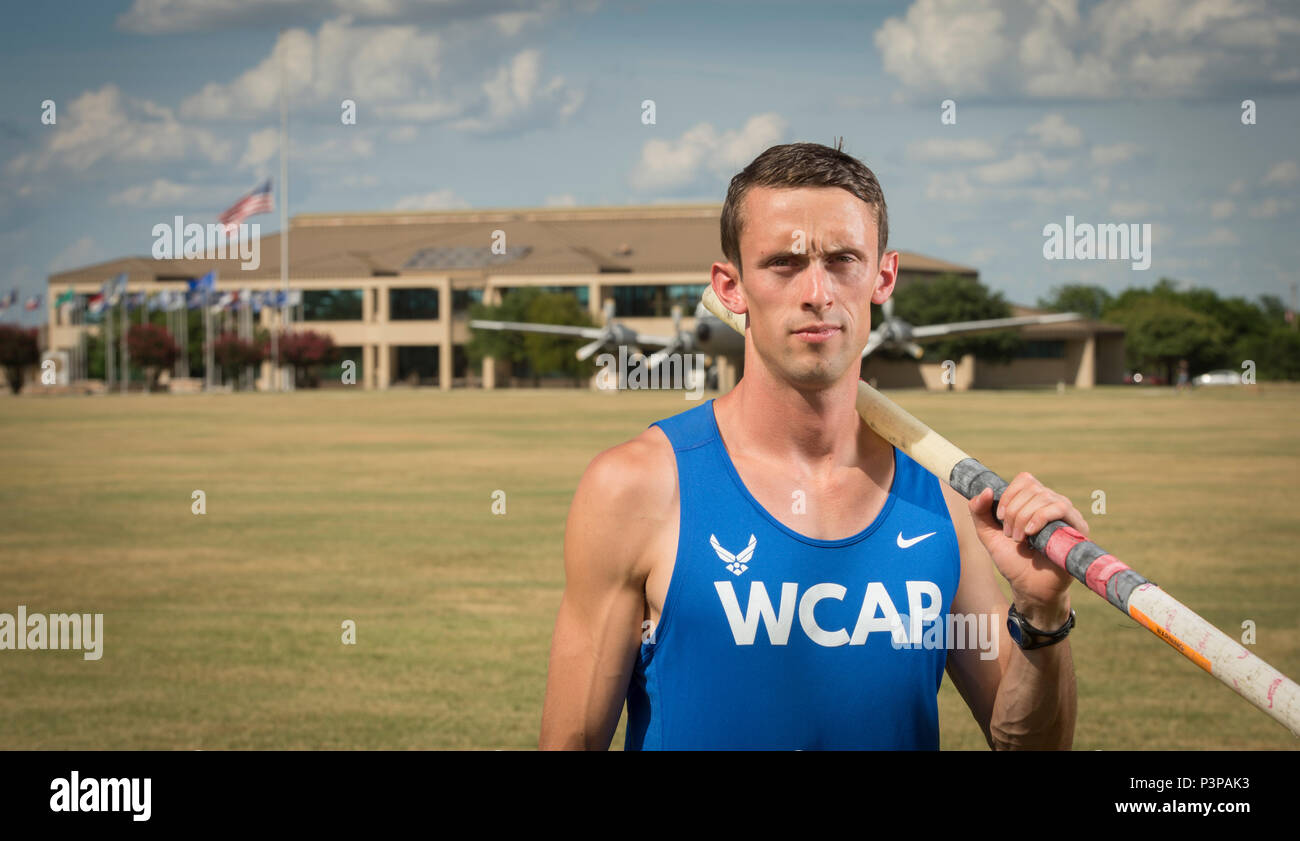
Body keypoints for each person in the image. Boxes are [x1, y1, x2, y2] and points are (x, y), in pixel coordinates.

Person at [539, 141, 1086, 750]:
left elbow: (1030, 748)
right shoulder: (637, 485)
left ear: (883, 276)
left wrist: (1041, 615)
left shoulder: (943, 496)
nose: (817, 292)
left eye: (844, 259)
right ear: (731, 287)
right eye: (783, 263)